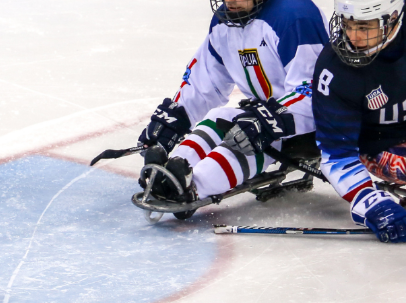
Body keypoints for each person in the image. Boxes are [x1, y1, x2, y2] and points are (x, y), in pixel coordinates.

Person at [136, 0, 328, 218]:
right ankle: (171, 173)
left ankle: (193, 188)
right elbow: (203, 83)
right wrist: (174, 118)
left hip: (315, 127)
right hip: (268, 117)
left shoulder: (296, 15)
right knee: (221, 117)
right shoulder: (224, 20)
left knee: (250, 135)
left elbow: (315, 93)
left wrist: (268, 122)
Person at [312, 0, 406, 243]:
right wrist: (372, 204)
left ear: (393, 18)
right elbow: (337, 155)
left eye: (364, 27)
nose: (352, 37)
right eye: (347, 25)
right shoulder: (334, 70)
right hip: (381, 144)